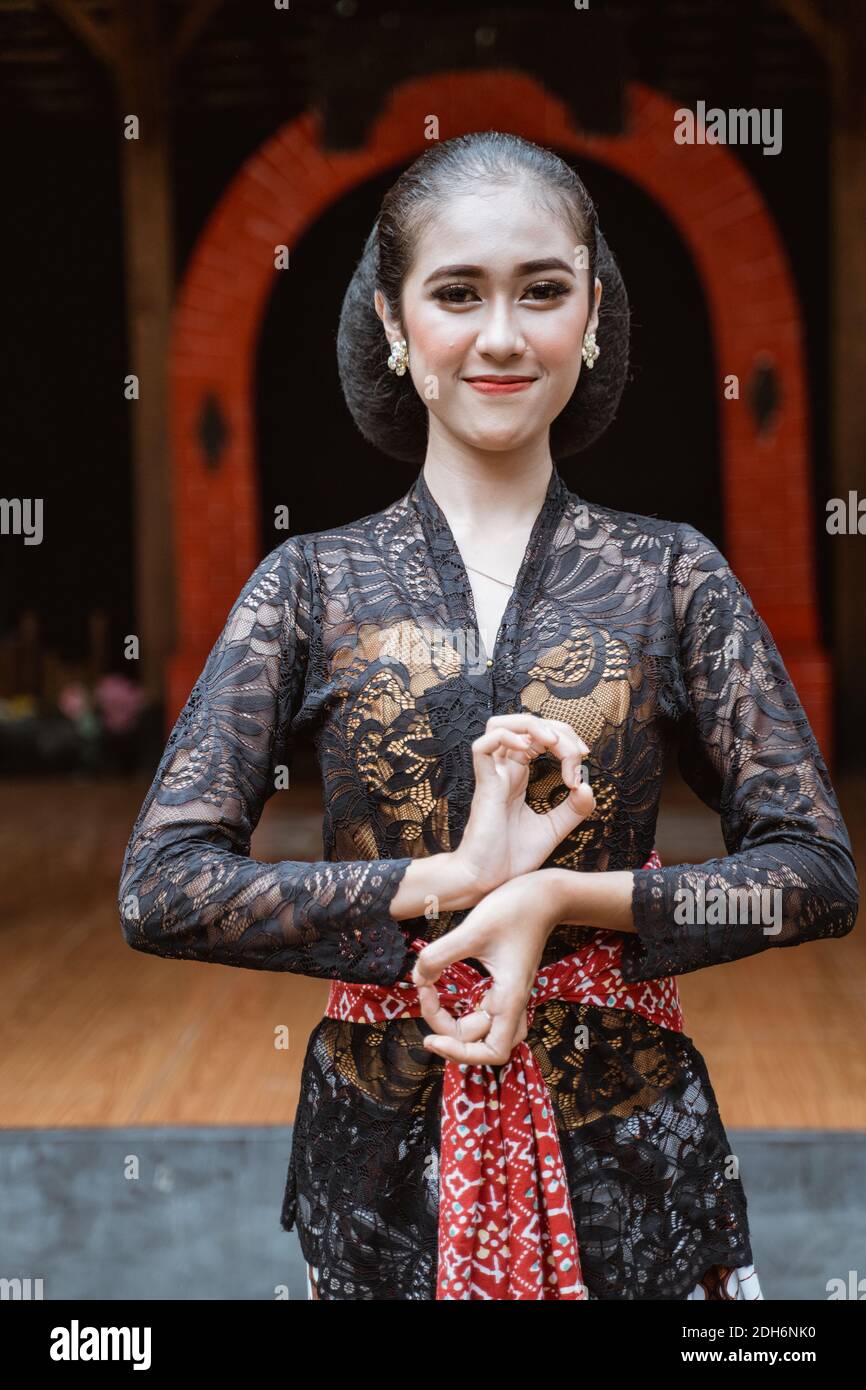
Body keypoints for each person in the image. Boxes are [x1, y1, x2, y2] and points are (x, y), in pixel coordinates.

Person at [118, 131, 858, 1301]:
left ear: (593, 318)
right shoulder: (308, 586)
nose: (502, 335)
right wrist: (445, 878)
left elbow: (813, 872)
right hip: (384, 1165)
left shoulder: (671, 575)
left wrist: (557, 897)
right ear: (394, 325)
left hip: (631, 1155)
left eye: (542, 291)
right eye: (457, 293)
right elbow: (162, 885)